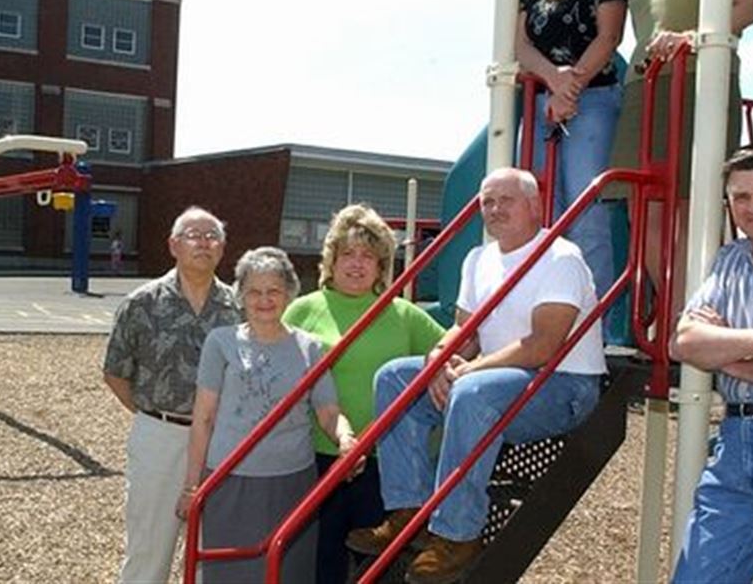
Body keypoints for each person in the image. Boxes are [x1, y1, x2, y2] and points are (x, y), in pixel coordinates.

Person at [346, 168, 606, 583]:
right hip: (501, 380)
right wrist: (439, 360)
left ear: (535, 206)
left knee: (473, 390)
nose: (495, 209)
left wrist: (467, 369)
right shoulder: (479, 259)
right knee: (396, 377)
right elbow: (464, 331)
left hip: (564, 386)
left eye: (507, 200)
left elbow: (544, 345)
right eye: (488, 201)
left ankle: (458, 535)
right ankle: (409, 511)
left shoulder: (560, 258)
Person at [608, 0, 753, 316]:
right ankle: (679, 320)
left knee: (690, 209)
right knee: (644, 211)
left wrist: (693, 38)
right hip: (643, 88)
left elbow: (746, 6)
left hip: (700, 80)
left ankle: (698, 322)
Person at [282, 204, 446, 584]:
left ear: (381, 265)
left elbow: (456, 348)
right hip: (317, 458)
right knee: (322, 559)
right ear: (331, 260)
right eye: (348, 254)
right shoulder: (302, 311)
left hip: (383, 464)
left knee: (379, 567)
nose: (357, 264)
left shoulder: (403, 315)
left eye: (368, 256)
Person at [177, 246, 355, 584]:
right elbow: (203, 418)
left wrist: (345, 437)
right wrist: (191, 487)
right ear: (241, 295)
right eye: (254, 291)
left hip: (291, 481)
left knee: (287, 572)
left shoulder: (309, 347)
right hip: (229, 479)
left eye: (273, 290)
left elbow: (328, 411)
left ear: (288, 293)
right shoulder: (221, 343)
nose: (264, 300)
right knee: (230, 572)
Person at [669, 143, 753, 583]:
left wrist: (726, 358)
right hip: (735, 446)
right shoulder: (729, 261)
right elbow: (682, 341)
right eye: (741, 197)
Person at [103, 206, 242, 584]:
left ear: (223, 248)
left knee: (211, 548)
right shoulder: (142, 303)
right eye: (193, 235)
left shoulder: (239, 308)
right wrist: (154, 415)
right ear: (173, 245)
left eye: (212, 236)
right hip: (159, 438)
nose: (203, 243)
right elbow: (115, 372)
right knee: (149, 547)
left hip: (221, 441)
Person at [515, 0, 627, 336]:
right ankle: (545, 318)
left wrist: (572, 86)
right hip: (542, 103)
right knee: (540, 210)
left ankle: (591, 327)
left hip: (593, 100)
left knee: (586, 211)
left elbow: (610, 35)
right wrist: (552, 80)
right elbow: (518, 45)